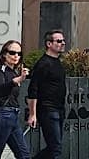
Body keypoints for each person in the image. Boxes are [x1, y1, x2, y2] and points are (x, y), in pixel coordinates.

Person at [27, 30, 67, 159]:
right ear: (49, 44)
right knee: (55, 149)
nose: (62, 43)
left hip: (59, 108)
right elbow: (33, 89)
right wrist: (32, 114)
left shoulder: (58, 62)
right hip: (48, 110)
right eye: (59, 41)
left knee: (53, 147)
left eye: (63, 40)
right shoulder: (43, 64)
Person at [0, 40, 30, 159]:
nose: (16, 56)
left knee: (23, 154)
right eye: (12, 52)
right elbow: (0, 89)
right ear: (5, 54)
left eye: (19, 53)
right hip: (3, 114)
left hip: (13, 115)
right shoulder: (0, 70)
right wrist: (17, 80)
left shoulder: (13, 72)